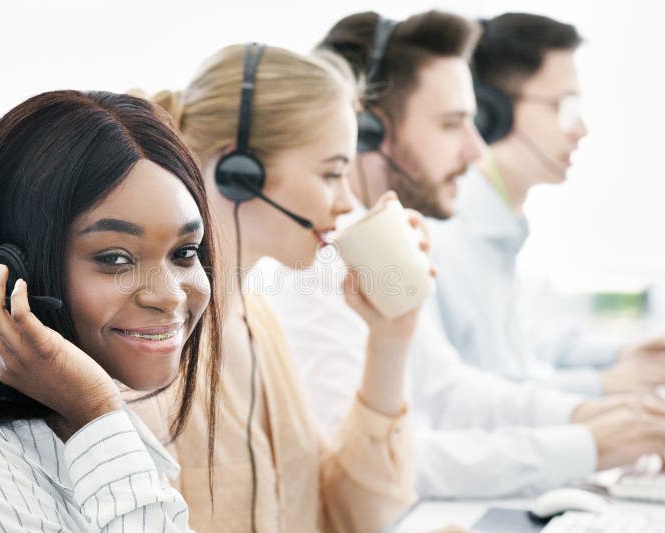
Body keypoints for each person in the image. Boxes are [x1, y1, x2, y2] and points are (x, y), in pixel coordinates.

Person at [258, 10, 665, 499]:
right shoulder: (318, 259)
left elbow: (445, 391)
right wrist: (585, 443)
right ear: (367, 129)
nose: (477, 151)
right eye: (452, 124)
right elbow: (379, 466)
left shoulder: (376, 239)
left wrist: (586, 418)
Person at [0, 90, 223, 532]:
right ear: (10, 274)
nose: (168, 296)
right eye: (115, 258)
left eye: (184, 252)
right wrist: (96, 412)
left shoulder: (113, 437)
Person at [127, 43, 430, 532]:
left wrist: (390, 341)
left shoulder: (257, 325)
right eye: (332, 173)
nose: (348, 201)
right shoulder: (147, 346)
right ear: (239, 174)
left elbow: (344, 517)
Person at [429, 12, 665, 397]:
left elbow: (528, 345)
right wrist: (604, 385)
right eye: (562, 106)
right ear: (493, 113)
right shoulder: (449, 235)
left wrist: (622, 353)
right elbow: (485, 392)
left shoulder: (501, 225)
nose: (581, 129)